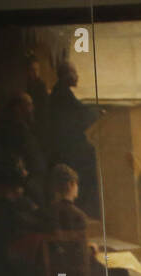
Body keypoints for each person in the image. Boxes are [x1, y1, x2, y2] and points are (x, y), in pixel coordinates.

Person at [47, 58, 100, 217]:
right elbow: (80, 114)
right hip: (68, 151)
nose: (77, 76)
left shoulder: (60, 92)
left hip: (65, 148)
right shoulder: (62, 94)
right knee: (92, 166)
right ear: (67, 75)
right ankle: (86, 210)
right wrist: (98, 113)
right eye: (75, 73)